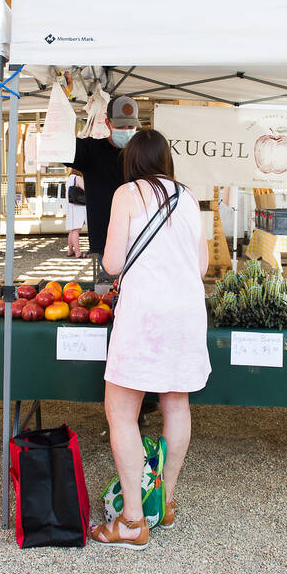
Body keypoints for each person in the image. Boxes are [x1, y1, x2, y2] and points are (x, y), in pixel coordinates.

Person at [92, 129, 209, 549]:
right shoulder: (188, 197)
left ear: (131, 161)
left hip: (145, 315)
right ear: (165, 160)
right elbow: (201, 266)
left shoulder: (126, 194)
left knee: (122, 411)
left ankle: (132, 522)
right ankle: (167, 502)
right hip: (187, 313)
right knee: (176, 403)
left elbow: (111, 263)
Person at [67, 95, 139, 279]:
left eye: (130, 127)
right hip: (107, 241)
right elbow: (60, 144)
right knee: (115, 288)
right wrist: (65, 95)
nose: (126, 131)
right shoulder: (91, 150)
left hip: (140, 238)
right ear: (108, 123)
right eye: (121, 126)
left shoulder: (142, 154)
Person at [65, 168, 86, 258]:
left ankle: (70, 251)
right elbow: (86, 189)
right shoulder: (77, 178)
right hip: (78, 207)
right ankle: (78, 253)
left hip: (71, 207)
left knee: (72, 230)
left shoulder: (69, 179)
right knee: (76, 231)